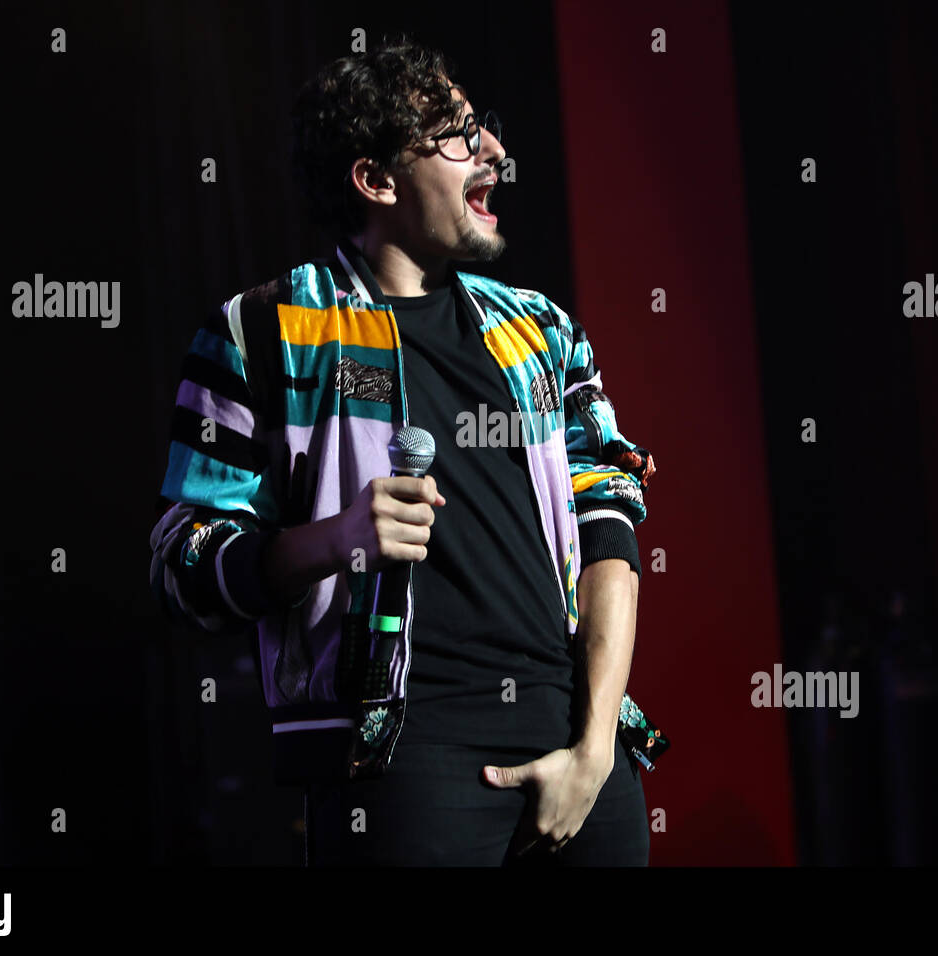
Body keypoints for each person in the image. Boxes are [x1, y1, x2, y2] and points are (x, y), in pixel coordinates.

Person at [148, 36, 659, 866]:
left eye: (482, 128)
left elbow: (610, 522)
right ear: (376, 180)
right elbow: (181, 569)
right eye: (458, 136)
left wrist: (596, 744)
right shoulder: (262, 332)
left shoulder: (540, 330)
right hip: (402, 764)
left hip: (579, 753)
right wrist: (331, 540)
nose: (495, 150)